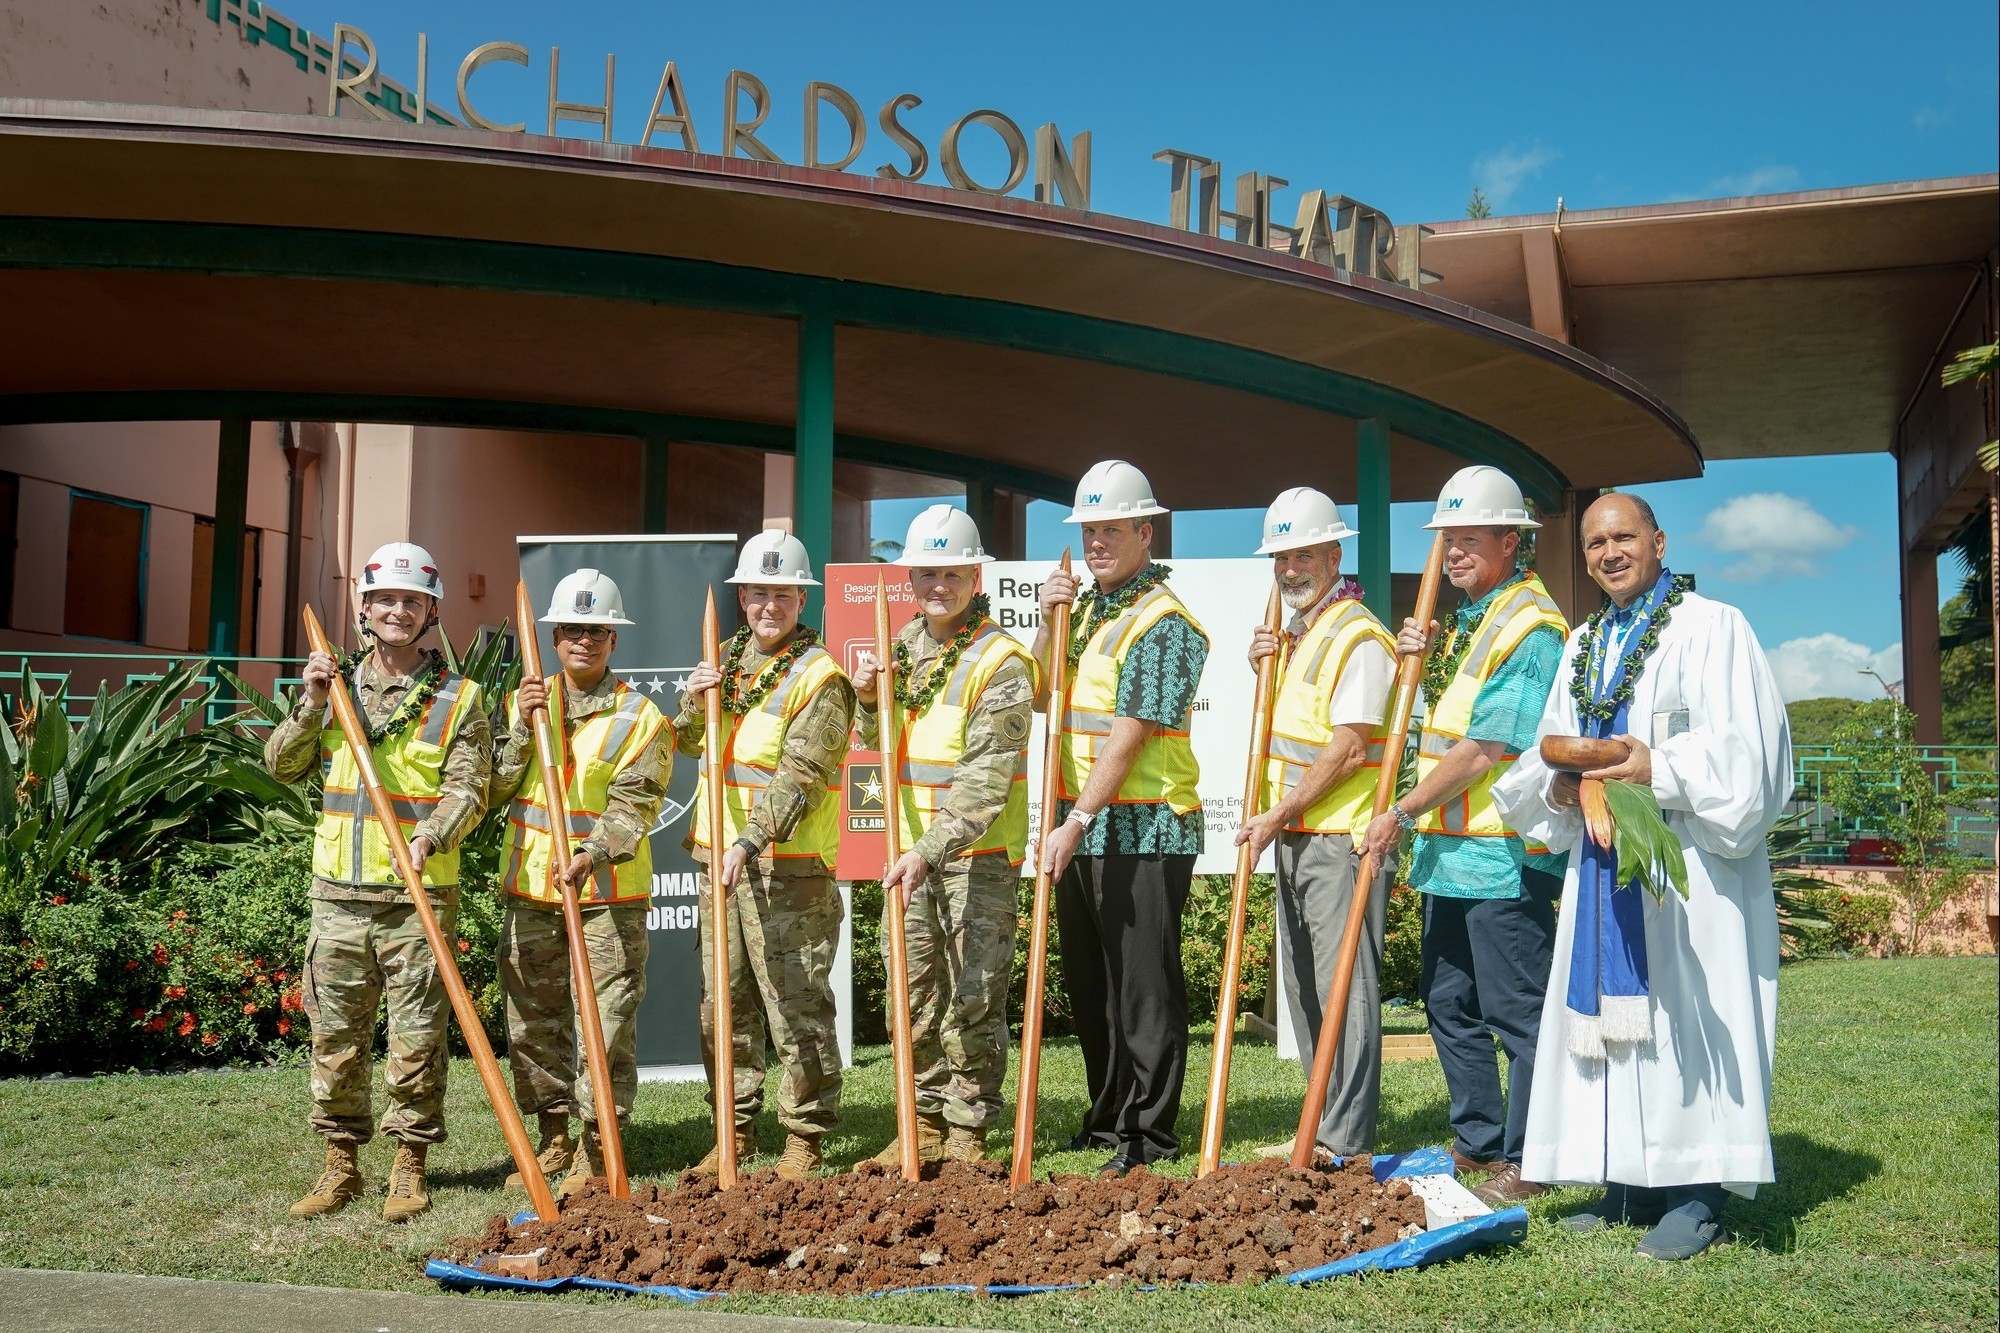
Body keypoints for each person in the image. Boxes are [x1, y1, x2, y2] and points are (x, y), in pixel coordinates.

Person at [1493, 493, 1793, 1260]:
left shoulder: (1713, 627)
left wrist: (1655, 765)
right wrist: (1558, 783)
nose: (1609, 551)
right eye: (1595, 542)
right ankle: (1624, 1180)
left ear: (1658, 541)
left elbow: (1748, 753)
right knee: (1614, 1025)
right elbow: (1549, 743)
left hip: (1691, 866)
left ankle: (1697, 1193)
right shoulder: (1584, 641)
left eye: (1624, 536)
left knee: (1690, 1018)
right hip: (1601, 865)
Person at [1358, 465, 1568, 1207]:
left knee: (1517, 1009)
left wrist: (1402, 811)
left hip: (1503, 854)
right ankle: (1477, 1141)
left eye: (1469, 538)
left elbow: (1488, 748)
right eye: (1448, 539)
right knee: (1447, 998)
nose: (1452, 553)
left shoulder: (1532, 629)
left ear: (1512, 542)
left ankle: (1533, 1157)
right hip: (1454, 855)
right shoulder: (1474, 621)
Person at [265, 542, 491, 1222]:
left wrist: (432, 834)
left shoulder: (460, 695)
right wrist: (309, 703)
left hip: (416, 895)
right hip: (338, 893)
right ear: (364, 608)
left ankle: (408, 1164)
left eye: (412, 601)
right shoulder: (330, 687)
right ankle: (341, 1163)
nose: (398, 610)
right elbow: (282, 765)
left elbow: (470, 789)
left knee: (417, 1036)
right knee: (335, 1036)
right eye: (386, 599)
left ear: (431, 611)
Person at [1035, 460, 1210, 1177]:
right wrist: (1052, 620)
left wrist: (1074, 818)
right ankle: (1107, 1118)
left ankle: (1149, 1134)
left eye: (1111, 528)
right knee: (1094, 988)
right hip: (1089, 827)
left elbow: (1132, 729)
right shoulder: (1090, 612)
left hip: (1146, 827)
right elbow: (1044, 691)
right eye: (1089, 530)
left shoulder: (1166, 624)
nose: (1098, 541)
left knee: (1143, 990)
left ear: (1145, 531)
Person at [852, 505, 1036, 1165]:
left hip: (972, 860)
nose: (938, 584)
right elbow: (878, 748)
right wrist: (871, 702)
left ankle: (966, 1135)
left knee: (973, 998)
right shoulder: (899, 648)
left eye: (951, 571)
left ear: (975, 573)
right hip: (910, 857)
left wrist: (922, 853)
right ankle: (919, 1123)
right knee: (911, 992)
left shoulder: (1004, 662)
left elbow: (985, 786)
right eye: (926, 571)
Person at [677, 530, 856, 1180]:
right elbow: (686, 741)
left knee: (796, 1004)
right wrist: (694, 703)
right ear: (743, 596)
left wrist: (750, 839)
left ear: (800, 596)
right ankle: (735, 1128)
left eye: (783, 593)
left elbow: (802, 774)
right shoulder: (723, 660)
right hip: (717, 865)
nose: (769, 604)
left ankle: (804, 1139)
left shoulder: (822, 679)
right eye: (758, 592)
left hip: (789, 872)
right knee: (722, 1005)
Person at [489, 570, 671, 1198]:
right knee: (533, 1021)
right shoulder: (528, 702)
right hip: (531, 892)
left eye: (597, 631)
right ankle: (554, 1135)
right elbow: (493, 789)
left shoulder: (642, 718)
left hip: (606, 897)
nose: (584, 641)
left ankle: (599, 1145)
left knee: (606, 1025)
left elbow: (636, 806)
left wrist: (592, 853)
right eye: (572, 630)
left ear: (614, 640)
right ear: (555, 637)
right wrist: (520, 728)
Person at [1236, 488, 1396, 1161]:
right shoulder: (1298, 637)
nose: (1290, 567)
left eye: (1304, 553)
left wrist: (1276, 812)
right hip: (1300, 838)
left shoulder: (1359, 635)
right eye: (1281, 556)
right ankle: (1317, 1126)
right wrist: (1261, 667)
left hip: (1340, 839)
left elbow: (1350, 747)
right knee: (1304, 989)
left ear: (1335, 553)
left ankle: (1343, 1138)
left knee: (1343, 992)